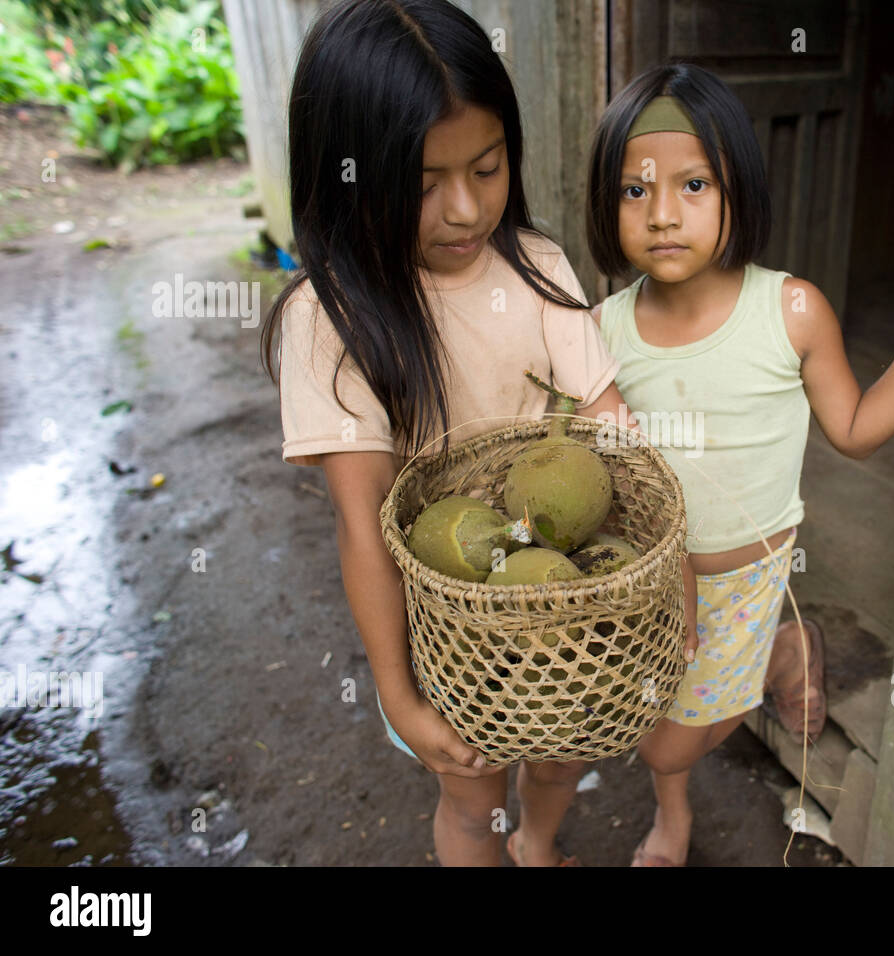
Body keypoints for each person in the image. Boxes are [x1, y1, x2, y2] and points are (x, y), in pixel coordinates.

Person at [261, 0, 657, 866]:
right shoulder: (332, 321)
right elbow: (363, 525)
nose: (465, 209)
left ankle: (539, 848)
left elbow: (607, 420)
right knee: (472, 797)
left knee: (564, 751)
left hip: (555, 594)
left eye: (488, 166)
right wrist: (400, 696)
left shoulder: (538, 263)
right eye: (425, 181)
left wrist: (665, 570)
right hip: (452, 628)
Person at [584, 63, 894, 866]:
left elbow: (854, 429)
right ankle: (675, 818)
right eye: (634, 191)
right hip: (653, 580)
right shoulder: (602, 331)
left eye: (693, 185)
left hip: (752, 579)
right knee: (653, 715)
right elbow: (602, 475)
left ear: (738, 191)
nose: (662, 215)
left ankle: (782, 647)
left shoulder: (788, 309)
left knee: (665, 744)